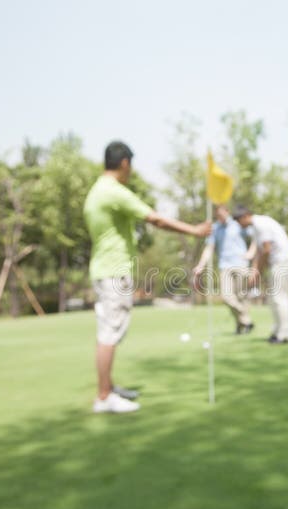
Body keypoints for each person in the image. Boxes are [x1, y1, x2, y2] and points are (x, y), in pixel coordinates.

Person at [84, 140, 211, 414]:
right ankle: (104, 397)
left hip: (103, 268)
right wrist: (195, 230)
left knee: (108, 330)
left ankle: (108, 386)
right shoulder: (113, 191)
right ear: (125, 163)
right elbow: (156, 219)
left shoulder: (95, 192)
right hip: (113, 271)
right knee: (109, 333)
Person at [232, 206, 288, 344]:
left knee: (279, 297)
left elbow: (266, 250)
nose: (238, 224)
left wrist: (258, 273)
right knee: (273, 298)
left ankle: (285, 334)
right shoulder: (255, 227)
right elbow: (259, 252)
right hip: (276, 262)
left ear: (246, 216)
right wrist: (254, 273)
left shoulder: (261, 224)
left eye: (238, 220)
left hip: (282, 260)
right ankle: (278, 331)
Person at [192, 204, 256, 334]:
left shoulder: (238, 224)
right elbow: (209, 248)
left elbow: (255, 237)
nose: (219, 217)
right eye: (217, 215)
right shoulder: (215, 228)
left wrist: (251, 252)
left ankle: (240, 326)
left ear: (227, 212)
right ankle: (246, 319)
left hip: (241, 264)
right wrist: (201, 265)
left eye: (221, 214)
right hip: (225, 266)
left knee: (240, 297)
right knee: (227, 297)